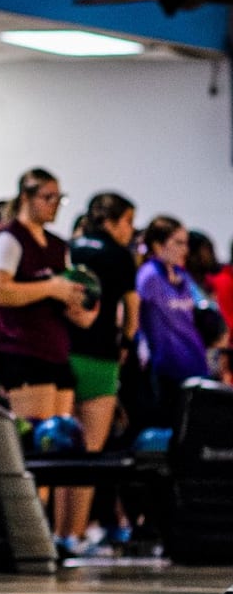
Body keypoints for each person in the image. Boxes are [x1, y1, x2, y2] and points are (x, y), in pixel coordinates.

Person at [0, 168, 97, 426]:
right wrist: (49, 287)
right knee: (36, 440)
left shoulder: (58, 245)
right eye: (48, 197)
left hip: (56, 350)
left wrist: (79, 305)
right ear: (26, 197)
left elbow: (62, 294)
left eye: (59, 198)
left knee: (62, 440)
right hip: (24, 352)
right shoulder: (9, 240)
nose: (54, 205)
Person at [63, 192, 138, 557]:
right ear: (112, 221)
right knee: (89, 453)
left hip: (64, 352)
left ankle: (57, 534)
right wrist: (126, 341)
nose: (131, 230)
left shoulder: (72, 246)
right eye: (128, 222)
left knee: (60, 452)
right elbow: (131, 307)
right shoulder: (121, 256)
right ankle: (75, 536)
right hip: (100, 358)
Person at [136, 216, 208, 429]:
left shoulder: (181, 275)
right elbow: (137, 320)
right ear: (158, 245)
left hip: (194, 362)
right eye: (178, 243)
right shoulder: (148, 276)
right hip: (167, 367)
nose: (185, 249)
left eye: (186, 243)